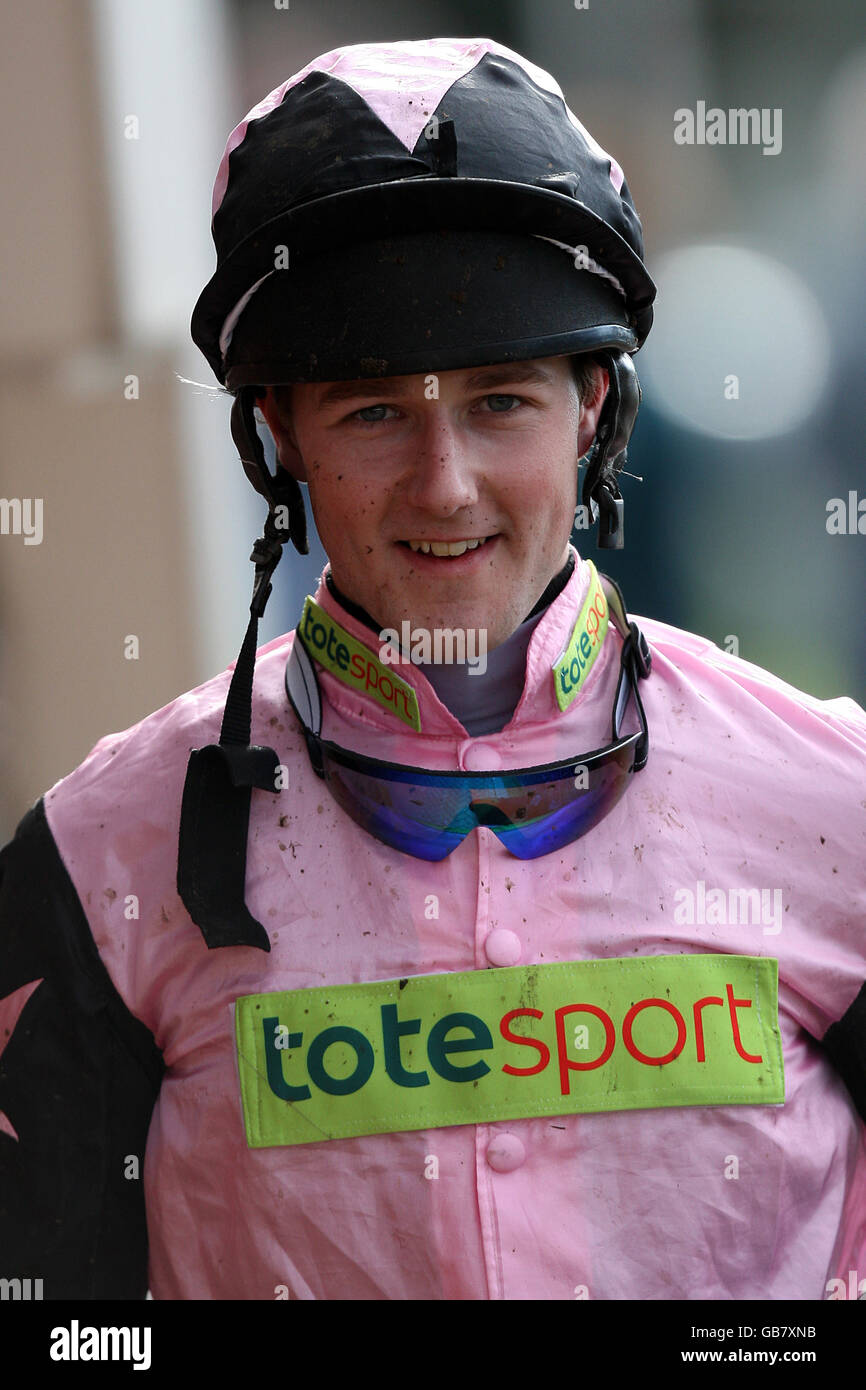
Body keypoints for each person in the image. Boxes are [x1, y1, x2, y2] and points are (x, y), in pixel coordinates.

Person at [0, 36, 864, 1302]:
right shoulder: (95, 860)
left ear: (594, 409)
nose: (442, 483)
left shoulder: (833, 805)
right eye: (372, 412)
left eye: (498, 401)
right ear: (277, 435)